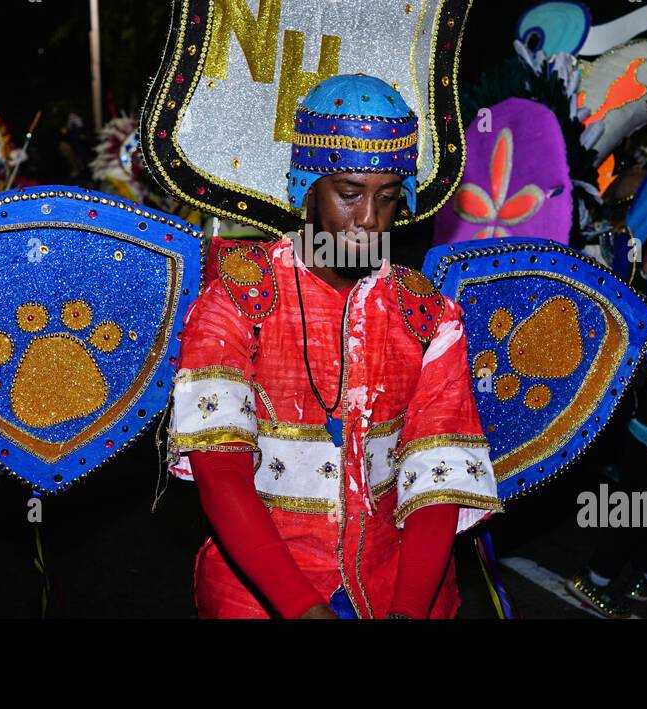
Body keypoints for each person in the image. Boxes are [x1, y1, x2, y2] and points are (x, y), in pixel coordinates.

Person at [167, 75, 502, 618]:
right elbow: (219, 469)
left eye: (388, 197)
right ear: (307, 188)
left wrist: (409, 609)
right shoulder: (238, 298)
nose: (369, 220)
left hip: (394, 587)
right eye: (349, 194)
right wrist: (301, 608)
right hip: (261, 590)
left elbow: (438, 482)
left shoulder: (429, 317)